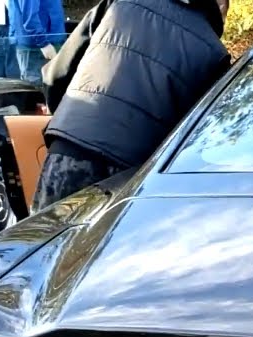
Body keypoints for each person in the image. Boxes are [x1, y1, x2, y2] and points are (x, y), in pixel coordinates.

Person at [32, 0, 232, 211]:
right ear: (220, 7)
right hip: (130, 175)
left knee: (45, 240)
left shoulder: (120, 3)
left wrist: (64, 118)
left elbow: (57, 75)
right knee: (98, 245)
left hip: (68, 147)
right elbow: (195, 143)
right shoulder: (214, 52)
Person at [41, 0, 117, 112]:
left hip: (103, 111)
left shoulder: (114, 7)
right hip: (42, 43)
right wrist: (42, 43)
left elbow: (56, 76)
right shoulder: (112, 7)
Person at [8, 0, 67, 89]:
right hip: (36, 47)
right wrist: (43, 43)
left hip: (50, 41)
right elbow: (29, 17)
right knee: (36, 90)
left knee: (53, 89)